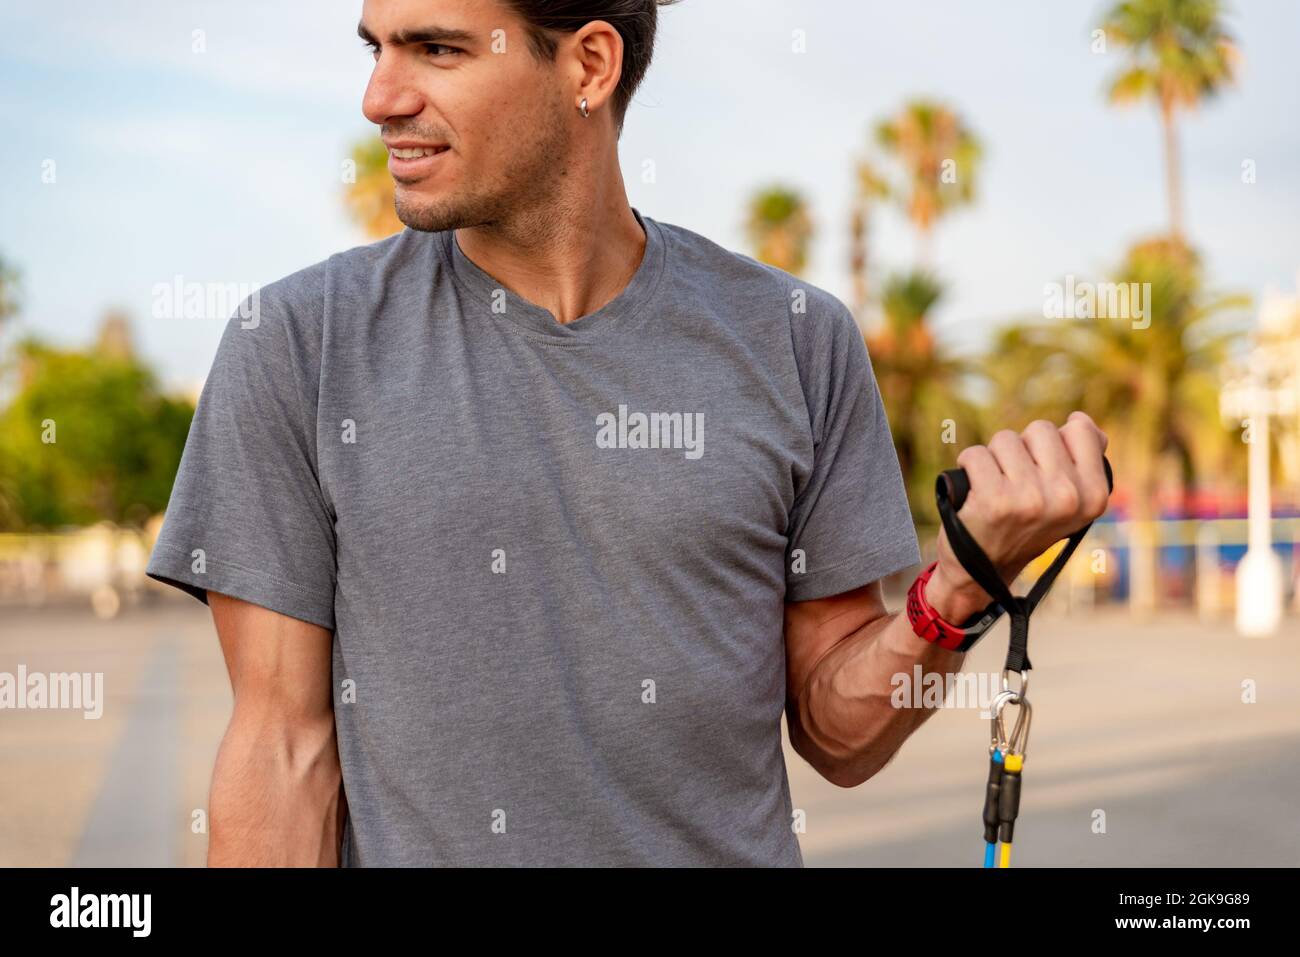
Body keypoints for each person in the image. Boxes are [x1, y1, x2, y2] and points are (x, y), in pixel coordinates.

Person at [146, 0, 1111, 866]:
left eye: (434, 49)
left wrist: (958, 586)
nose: (379, 97)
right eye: (375, 48)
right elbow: (282, 750)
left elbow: (838, 730)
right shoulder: (300, 346)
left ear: (589, 66)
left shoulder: (793, 339)